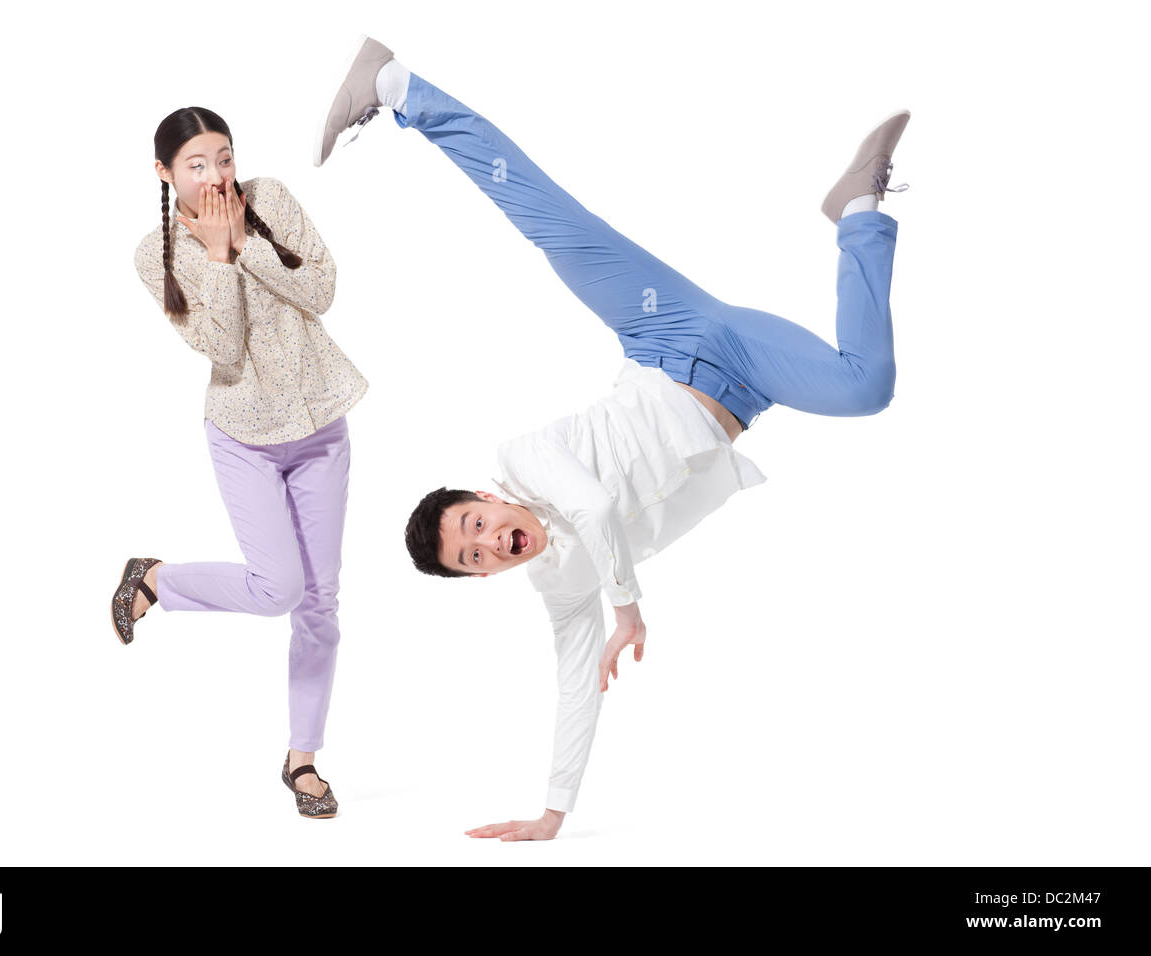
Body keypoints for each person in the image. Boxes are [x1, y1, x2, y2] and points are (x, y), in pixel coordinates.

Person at [318, 37, 909, 840]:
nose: (490, 542)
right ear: (485, 574)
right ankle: (858, 214)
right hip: (744, 384)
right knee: (865, 386)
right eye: (475, 557)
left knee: (549, 217)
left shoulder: (521, 460)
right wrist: (552, 813)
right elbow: (573, 683)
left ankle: (395, 84)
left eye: (476, 524)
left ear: (487, 499)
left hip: (665, 330)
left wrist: (627, 606)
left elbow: (594, 506)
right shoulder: (559, 588)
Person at [113, 105, 368, 819]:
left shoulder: (273, 199)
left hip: (321, 425)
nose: (217, 174)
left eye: (224, 157)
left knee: (320, 602)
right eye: (197, 164)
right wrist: (220, 257)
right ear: (165, 174)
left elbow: (321, 291)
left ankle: (303, 760)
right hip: (244, 435)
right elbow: (222, 348)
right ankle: (157, 580)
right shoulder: (156, 253)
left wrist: (247, 244)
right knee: (277, 587)